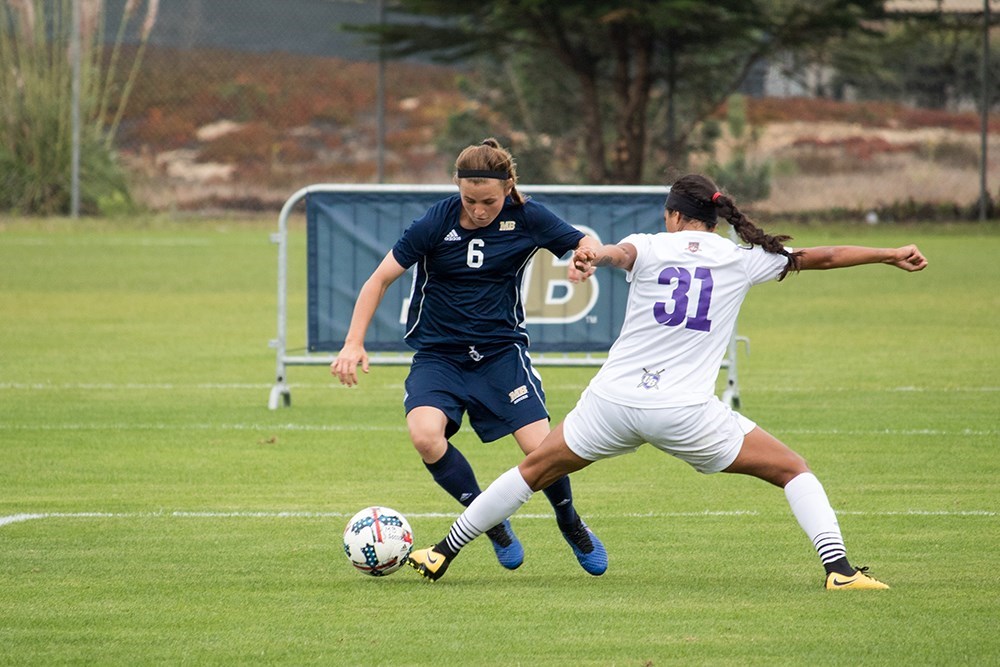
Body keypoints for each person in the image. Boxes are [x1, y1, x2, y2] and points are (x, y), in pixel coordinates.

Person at [407, 173, 928, 590]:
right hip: (684, 412)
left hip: (612, 403)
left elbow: (615, 253)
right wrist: (888, 253)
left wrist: (594, 256)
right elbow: (825, 256)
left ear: (676, 216)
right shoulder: (741, 259)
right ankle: (838, 570)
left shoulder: (651, 246)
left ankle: (442, 551)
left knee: (529, 472)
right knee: (793, 470)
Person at [331, 138, 608, 575]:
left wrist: (584, 257)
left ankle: (570, 522)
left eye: (489, 201)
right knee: (425, 436)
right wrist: (353, 341)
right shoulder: (436, 221)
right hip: (440, 355)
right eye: (469, 199)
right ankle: (488, 519)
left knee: (542, 450)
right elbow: (379, 279)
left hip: (500, 354)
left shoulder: (528, 217)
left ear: (509, 187)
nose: (478, 210)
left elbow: (583, 240)